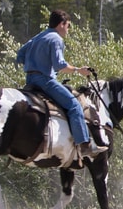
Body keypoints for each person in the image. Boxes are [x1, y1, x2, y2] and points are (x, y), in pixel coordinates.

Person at [15, 9, 105, 164]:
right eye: (67, 26)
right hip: (45, 80)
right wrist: (79, 70)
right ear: (61, 24)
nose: (67, 30)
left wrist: (34, 62)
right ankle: (84, 145)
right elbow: (59, 65)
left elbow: (20, 55)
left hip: (30, 80)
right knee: (74, 106)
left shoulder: (38, 36)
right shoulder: (56, 39)